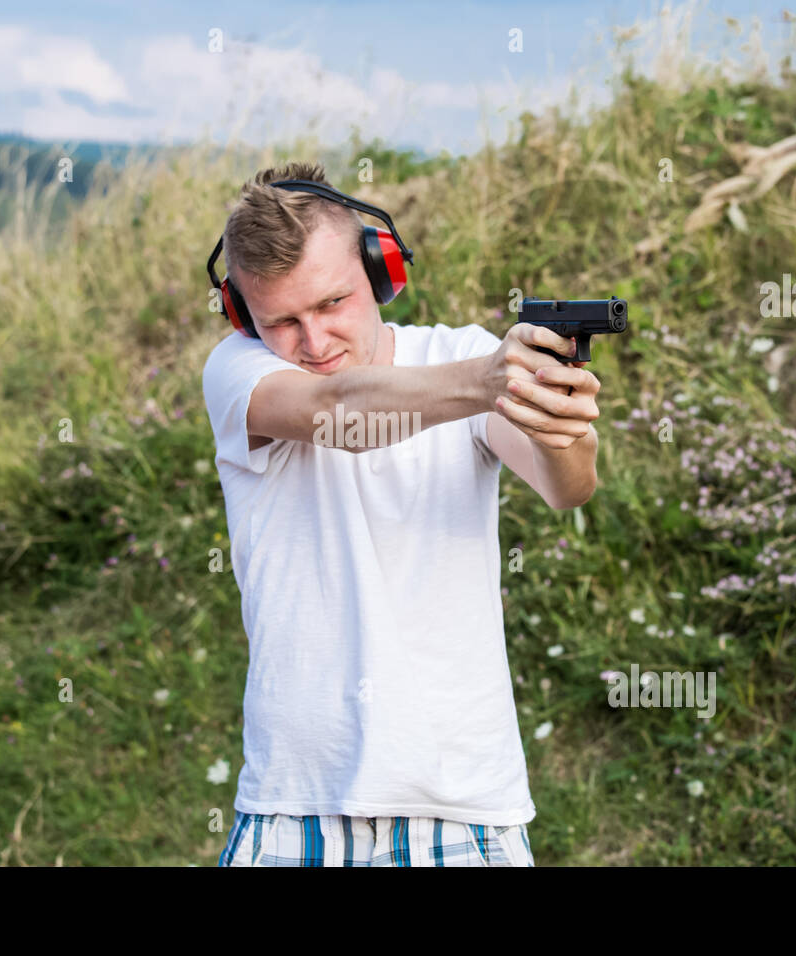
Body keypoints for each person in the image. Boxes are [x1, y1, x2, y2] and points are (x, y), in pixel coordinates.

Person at [201, 161, 603, 866]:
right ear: (242, 316)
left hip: (464, 807)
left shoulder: (461, 359)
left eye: (331, 304)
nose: (315, 342)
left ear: (380, 272)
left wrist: (564, 423)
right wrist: (491, 380)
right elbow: (338, 412)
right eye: (282, 322)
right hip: (293, 808)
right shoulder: (237, 369)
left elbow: (566, 488)